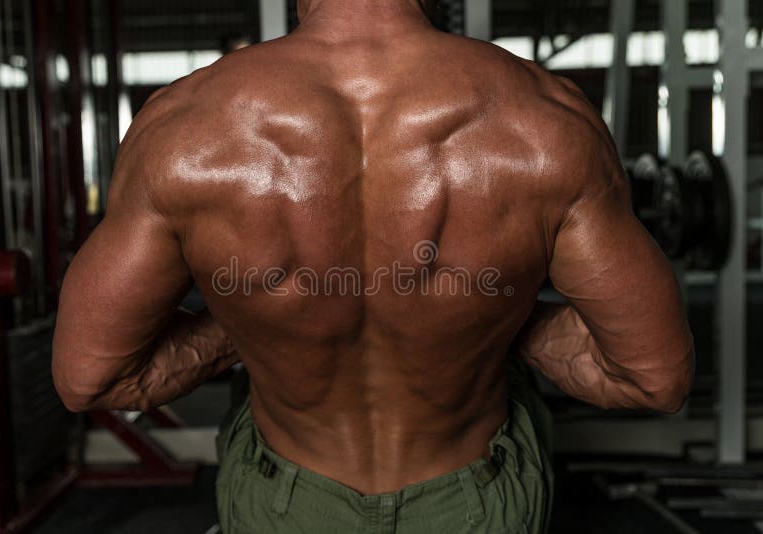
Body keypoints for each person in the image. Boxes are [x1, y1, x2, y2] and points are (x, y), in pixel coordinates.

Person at [52, 1, 694, 532]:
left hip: (289, 506)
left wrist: (252, 326)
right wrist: (491, 319)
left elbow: (92, 380)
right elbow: (652, 377)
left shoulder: (182, 130)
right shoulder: (547, 121)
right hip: (471, 503)